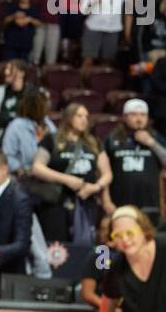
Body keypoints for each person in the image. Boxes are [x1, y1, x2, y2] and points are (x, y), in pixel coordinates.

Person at [31, 101, 112, 244]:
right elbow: (37, 168)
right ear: (69, 118)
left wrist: (95, 187)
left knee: (91, 245)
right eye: (79, 116)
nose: (84, 120)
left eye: (86, 117)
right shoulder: (52, 140)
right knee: (58, 247)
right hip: (57, 202)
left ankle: (99, 266)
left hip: (86, 201)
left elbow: (107, 174)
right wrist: (66, 179)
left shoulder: (94, 143)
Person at [102, 99, 166, 222]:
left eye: (143, 115)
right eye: (134, 114)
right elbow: (102, 172)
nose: (139, 119)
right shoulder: (112, 139)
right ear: (125, 117)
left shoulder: (155, 137)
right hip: (120, 203)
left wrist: (151, 143)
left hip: (150, 205)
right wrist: (106, 200)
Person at [0, 88, 51, 178]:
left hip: (48, 174)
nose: (48, 106)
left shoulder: (48, 123)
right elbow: (8, 156)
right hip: (24, 177)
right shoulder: (16, 126)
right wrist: (21, 170)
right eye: (44, 104)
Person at [0, 60, 30, 151]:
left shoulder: (31, 94)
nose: (6, 72)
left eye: (11, 69)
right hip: (2, 145)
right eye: (6, 69)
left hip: (24, 145)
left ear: (21, 73)